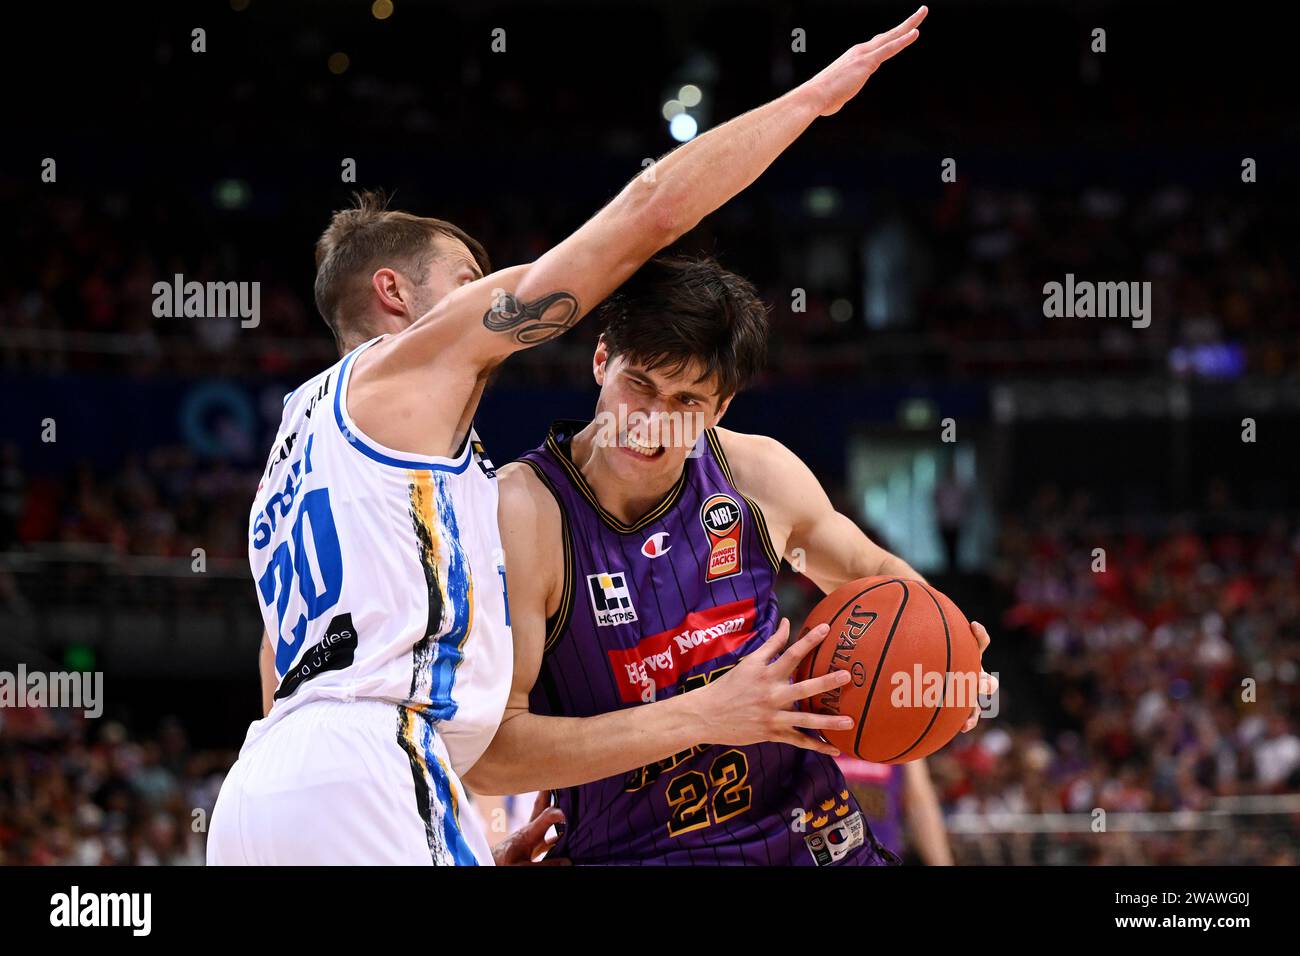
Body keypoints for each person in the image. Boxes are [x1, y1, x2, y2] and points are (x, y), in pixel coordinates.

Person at [207, 7, 933, 865]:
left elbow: (277, 666)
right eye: (470, 280)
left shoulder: (299, 448)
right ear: (397, 295)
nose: (491, 296)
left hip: (261, 785)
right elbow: (651, 209)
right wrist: (809, 101)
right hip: (374, 759)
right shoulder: (418, 369)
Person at [466, 253, 993, 864]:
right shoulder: (524, 512)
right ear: (601, 360)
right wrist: (703, 716)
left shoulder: (755, 474)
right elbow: (492, 755)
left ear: (720, 407)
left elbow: (875, 573)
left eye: (687, 400)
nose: (652, 423)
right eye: (639, 384)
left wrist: (949, 658)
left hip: (817, 843)